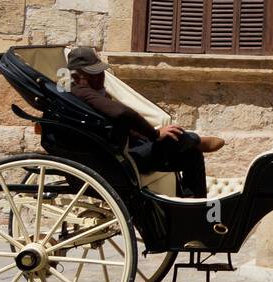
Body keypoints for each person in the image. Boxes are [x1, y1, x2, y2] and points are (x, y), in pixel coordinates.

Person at [64, 46, 224, 198]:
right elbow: (122, 113)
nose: (100, 77)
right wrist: (154, 134)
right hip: (121, 161)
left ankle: (193, 208)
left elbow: (119, 123)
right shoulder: (82, 92)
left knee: (192, 155)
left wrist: (147, 136)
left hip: (126, 151)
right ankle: (193, 139)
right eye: (93, 74)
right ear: (76, 76)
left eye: (100, 72)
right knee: (175, 138)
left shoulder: (83, 94)